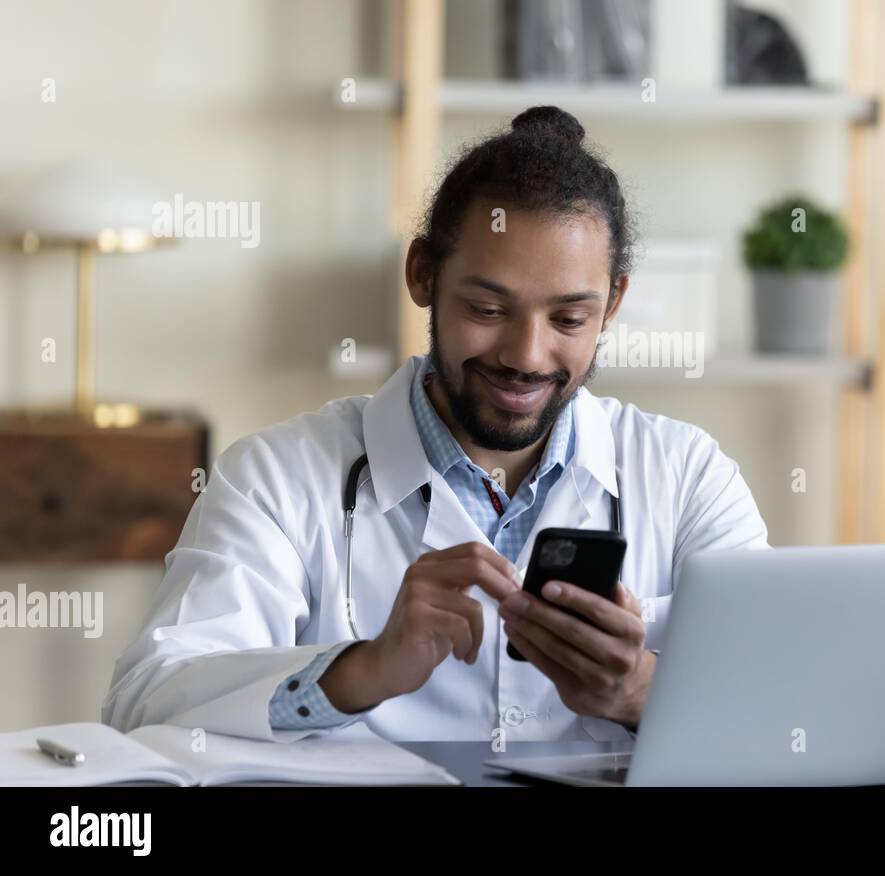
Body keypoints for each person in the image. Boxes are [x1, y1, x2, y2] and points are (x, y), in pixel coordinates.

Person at [103, 106, 768, 744]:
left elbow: (788, 710)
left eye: (569, 320)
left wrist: (638, 691)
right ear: (423, 273)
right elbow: (148, 699)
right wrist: (360, 670)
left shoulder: (686, 476)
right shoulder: (275, 479)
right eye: (486, 309)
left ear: (614, 302)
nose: (526, 357)